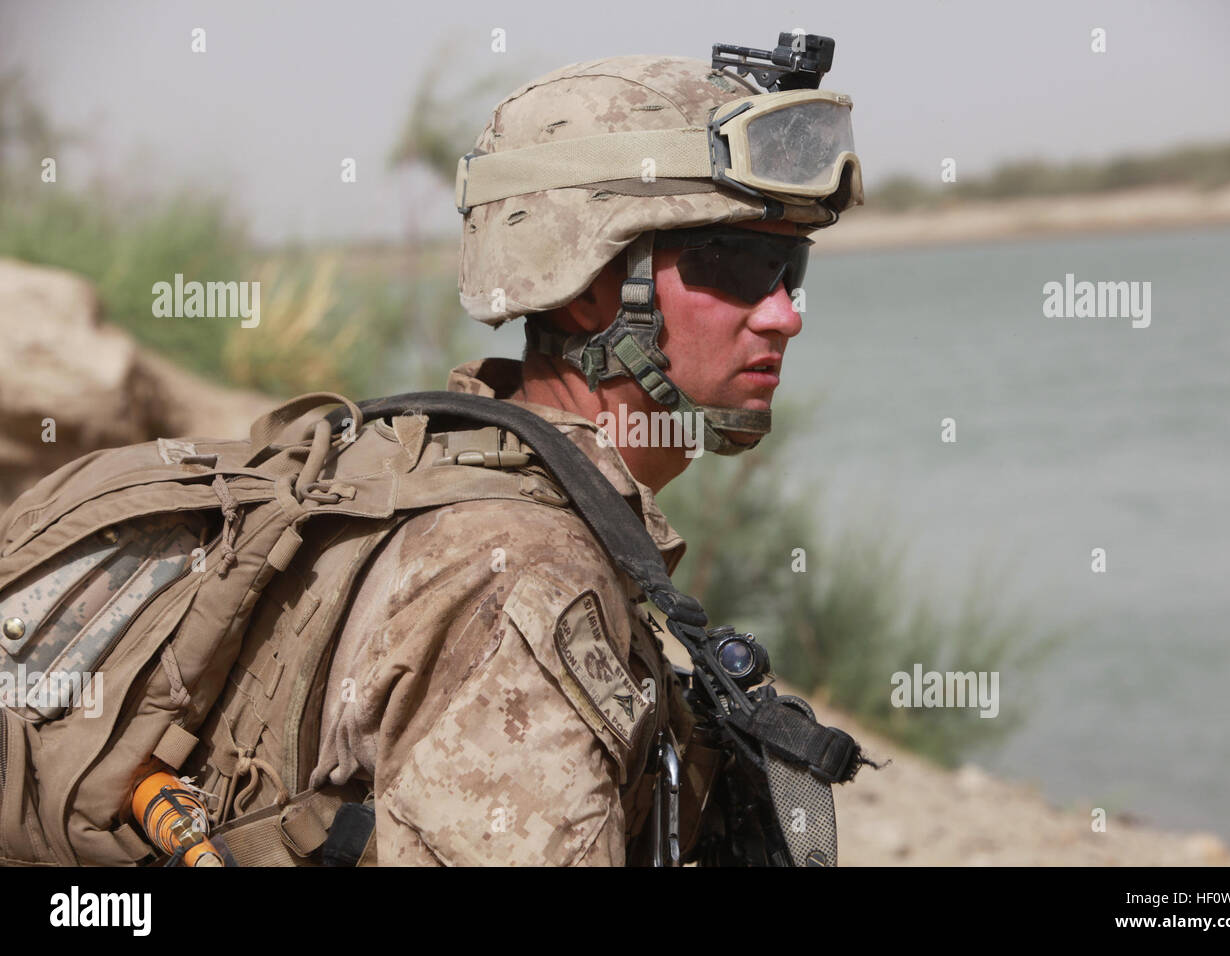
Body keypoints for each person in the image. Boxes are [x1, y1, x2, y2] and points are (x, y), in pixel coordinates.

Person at [203, 49, 862, 865]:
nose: (782, 317)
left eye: (788, 271)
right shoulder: (526, 580)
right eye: (733, 267)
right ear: (586, 288)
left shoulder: (465, 471)